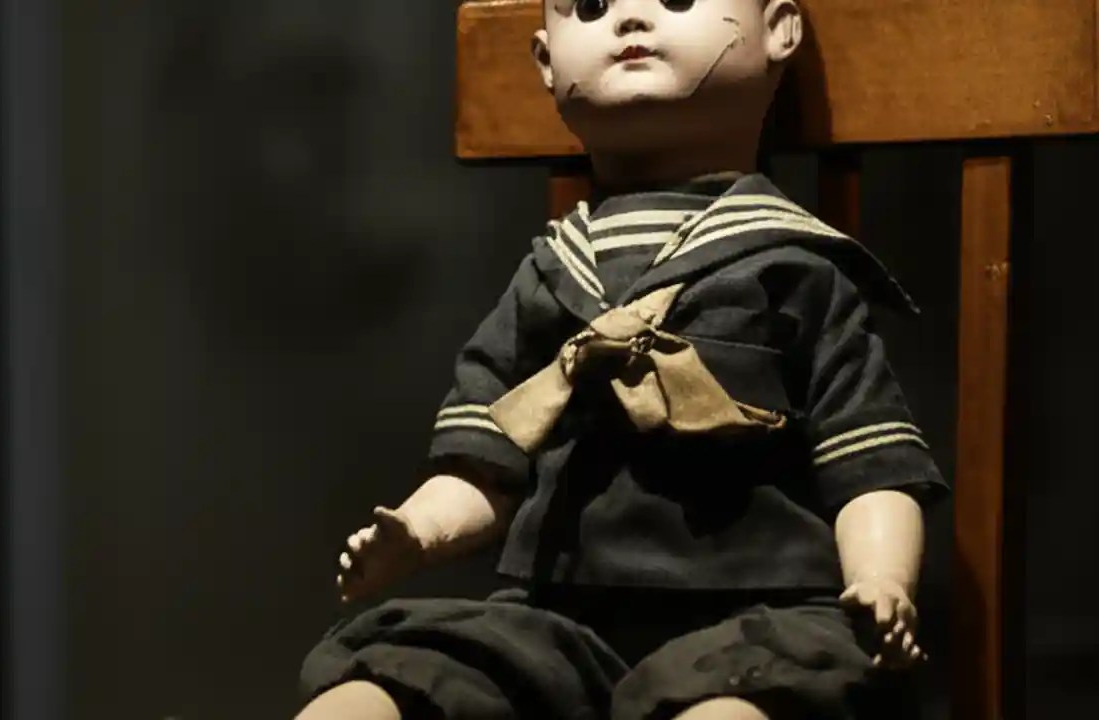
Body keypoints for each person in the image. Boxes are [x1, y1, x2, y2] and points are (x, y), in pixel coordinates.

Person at [295, 2, 948, 718]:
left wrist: (883, 578)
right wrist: (418, 531)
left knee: (743, 704)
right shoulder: (550, 274)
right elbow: (486, 457)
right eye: (592, 5)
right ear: (547, 63)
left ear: (780, 31)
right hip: (555, 625)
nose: (631, 17)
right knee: (382, 685)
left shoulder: (797, 269)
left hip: (755, 618)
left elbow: (871, 463)